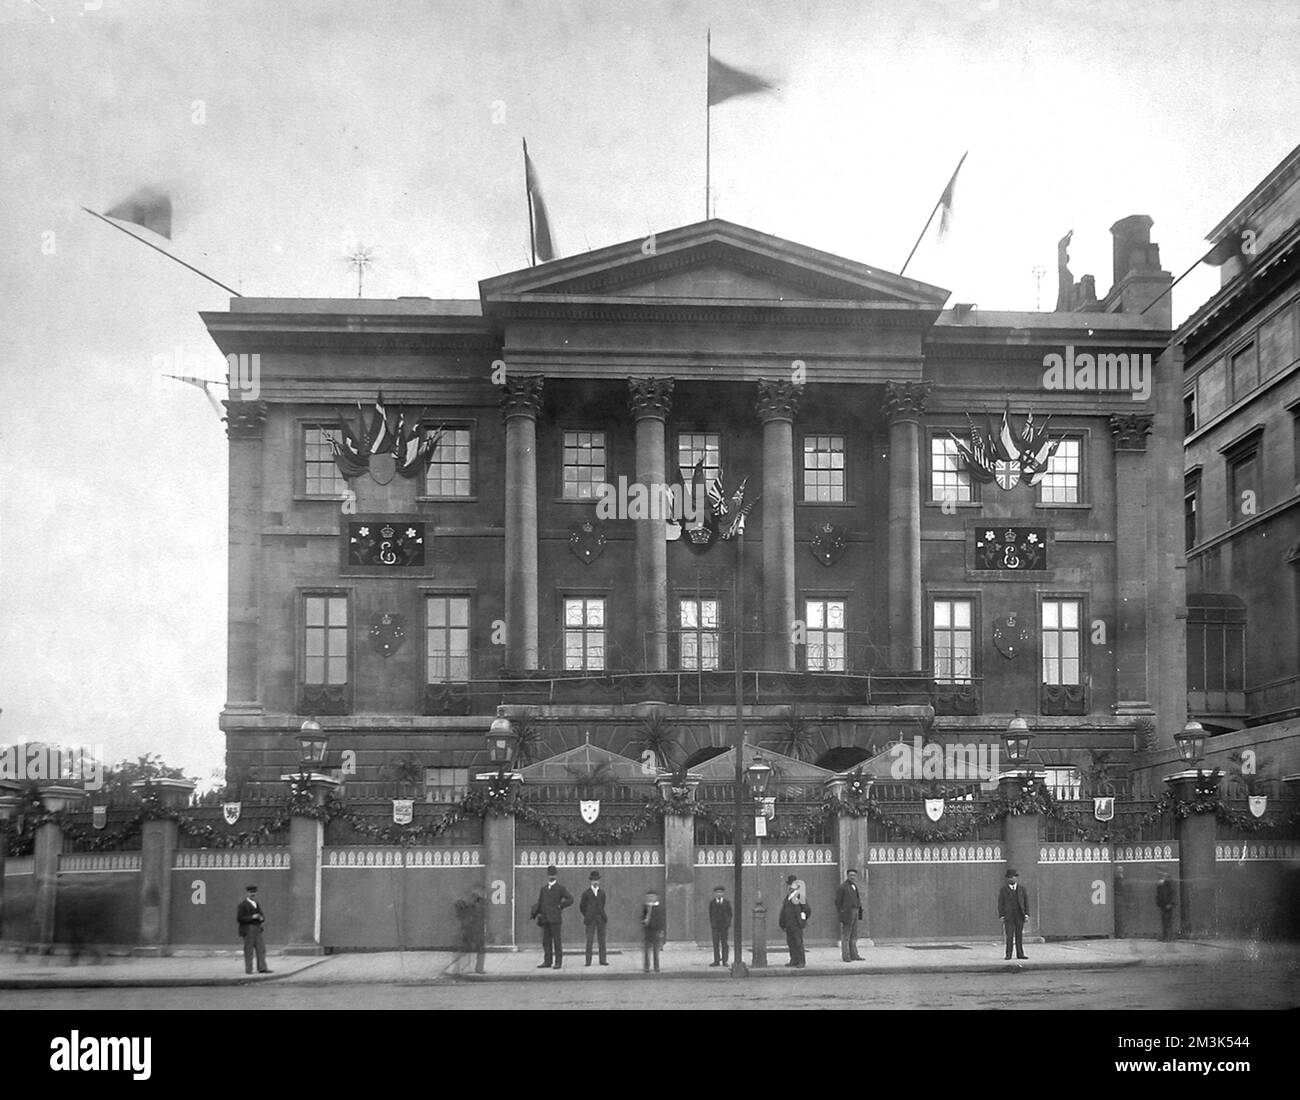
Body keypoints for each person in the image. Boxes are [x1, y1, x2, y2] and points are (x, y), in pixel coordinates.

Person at [529, 864, 574, 969]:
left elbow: (570, 899)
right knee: (546, 942)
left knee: (557, 942)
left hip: (555, 919)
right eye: (550, 875)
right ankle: (547, 961)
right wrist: (536, 913)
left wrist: (560, 906)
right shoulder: (543, 889)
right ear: (547, 876)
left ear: (556, 876)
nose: (551, 876)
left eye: (553, 875)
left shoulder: (560, 888)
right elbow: (540, 902)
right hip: (545, 919)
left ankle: (558, 962)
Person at [237, 884, 271, 974]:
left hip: (258, 929)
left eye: (254, 892)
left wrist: (262, 918)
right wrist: (252, 917)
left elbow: (261, 914)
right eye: (251, 892)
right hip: (248, 929)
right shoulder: (243, 905)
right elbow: (240, 918)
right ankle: (249, 969)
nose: (253, 894)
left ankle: (262, 968)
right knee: (249, 950)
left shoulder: (256, 903)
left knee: (261, 948)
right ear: (247, 893)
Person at [997, 868, 1030, 960]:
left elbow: (1026, 902)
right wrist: (1001, 915)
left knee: (1019, 935)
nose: (1011, 879)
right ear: (1007, 879)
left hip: (1019, 915)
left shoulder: (1022, 889)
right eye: (1009, 877)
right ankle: (1008, 954)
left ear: (1016, 878)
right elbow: (1000, 903)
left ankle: (1020, 953)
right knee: (1009, 936)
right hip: (1009, 916)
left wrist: (1026, 914)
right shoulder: (1003, 890)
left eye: (1013, 877)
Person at [453, 887, 487, 975]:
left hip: (473, 929)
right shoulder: (473, 906)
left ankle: (464, 969)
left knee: (475, 949)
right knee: (474, 949)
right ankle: (475, 969)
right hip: (473, 929)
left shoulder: (473, 905)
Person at [579, 870, 609, 966]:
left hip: (600, 918)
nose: (595, 882)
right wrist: (587, 914)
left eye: (597, 880)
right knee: (589, 941)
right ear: (590, 881)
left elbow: (603, 904)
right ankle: (588, 961)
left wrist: (601, 914)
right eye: (593, 880)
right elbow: (582, 907)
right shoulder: (586, 893)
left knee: (602, 941)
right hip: (590, 920)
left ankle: (603, 960)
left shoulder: (602, 893)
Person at [778, 875, 809, 968]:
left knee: (798, 942)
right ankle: (793, 960)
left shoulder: (800, 896)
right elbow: (784, 911)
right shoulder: (788, 897)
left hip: (796, 924)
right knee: (791, 943)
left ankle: (801, 961)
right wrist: (782, 923)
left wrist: (802, 920)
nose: (791, 887)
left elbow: (806, 909)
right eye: (790, 885)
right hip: (788, 924)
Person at [835, 868, 865, 962]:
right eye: (851, 875)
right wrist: (842, 913)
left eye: (854, 875)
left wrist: (859, 913)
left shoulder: (854, 886)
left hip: (855, 911)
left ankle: (854, 955)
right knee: (846, 936)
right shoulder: (842, 887)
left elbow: (857, 899)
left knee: (854, 935)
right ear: (847, 876)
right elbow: (837, 902)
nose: (852, 877)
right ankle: (846, 956)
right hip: (848, 913)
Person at [641, 889, 666, 972]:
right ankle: (646, 967)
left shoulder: (659, 908)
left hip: (656, 931)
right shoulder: (645, 907)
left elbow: (662, 920)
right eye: (649, 897)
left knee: (656, 951)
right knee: (646, 951)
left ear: (656, 897)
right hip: (648, 931)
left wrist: (661, 931)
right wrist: (643, 921)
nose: (650, 898)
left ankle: (656, 967)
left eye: (652, 896)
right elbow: (642, 917)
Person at [708, 885, 733, 968]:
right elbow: (710, 914)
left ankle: (725, 960)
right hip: (715, 927)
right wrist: (712, 923)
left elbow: (730, 914)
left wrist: (728, 923)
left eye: (720, 892)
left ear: (723, 893)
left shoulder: (726, 903)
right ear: (714, 893)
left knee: (724, 943)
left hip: (724, 927)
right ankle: (716, 960)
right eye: (717, 892)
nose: (719, 894)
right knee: (715, 943)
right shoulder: (712, 903)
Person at [1156, 868, 1176, 942]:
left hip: (1167, 904)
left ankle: (1168, 937)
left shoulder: (1168, 882)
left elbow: (1172, 893)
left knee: (1167, 921)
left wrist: (1170, 903)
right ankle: (1165, 936)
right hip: (1163, 905)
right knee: (1165, 921)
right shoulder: (1162, 883)